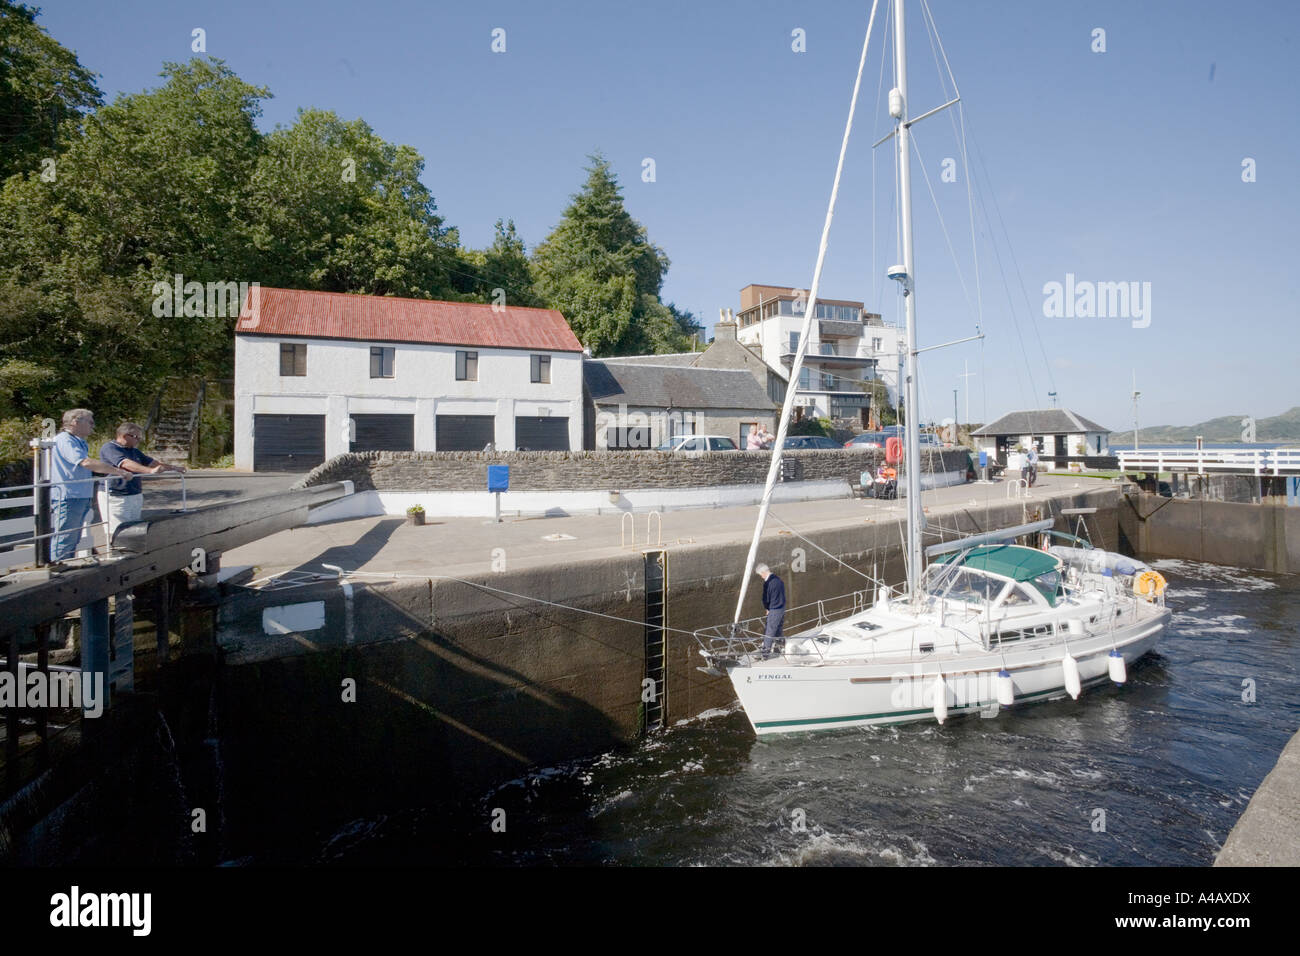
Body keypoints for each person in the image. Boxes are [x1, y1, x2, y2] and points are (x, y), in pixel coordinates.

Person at [48, 409, 129, 563]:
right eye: (90, 422)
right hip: (69, 495)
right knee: (66, 537)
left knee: (73, 537)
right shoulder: (65, 440)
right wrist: (118, 471)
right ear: (75, 422)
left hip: (80, 495)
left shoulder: (79, 441)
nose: (93, 426)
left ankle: (66, 565)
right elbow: (85, 462)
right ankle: (57, 567)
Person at [98, 422, 185, 540]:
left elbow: (153, 463)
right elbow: (125, 463)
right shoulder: (110, 448)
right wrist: (150, 471)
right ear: (124, 436)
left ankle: (131, 551)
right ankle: (115, 551)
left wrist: (174, 468)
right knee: (117, 528)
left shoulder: (134, 450)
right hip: (116, 494)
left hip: (134, 493)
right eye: (136, 437)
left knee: (134, 527)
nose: (138, 440)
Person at [756, 563, 785, 657]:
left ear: (763, 572)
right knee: (778, 629)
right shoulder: (778, 579)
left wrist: (767, 608)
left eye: (760, 574)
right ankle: (779, 648)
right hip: (781, 608)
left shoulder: (768, 583)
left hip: (774, 609)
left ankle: (765, 653)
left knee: (769, 630)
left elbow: (766, 598)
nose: (761, 577)